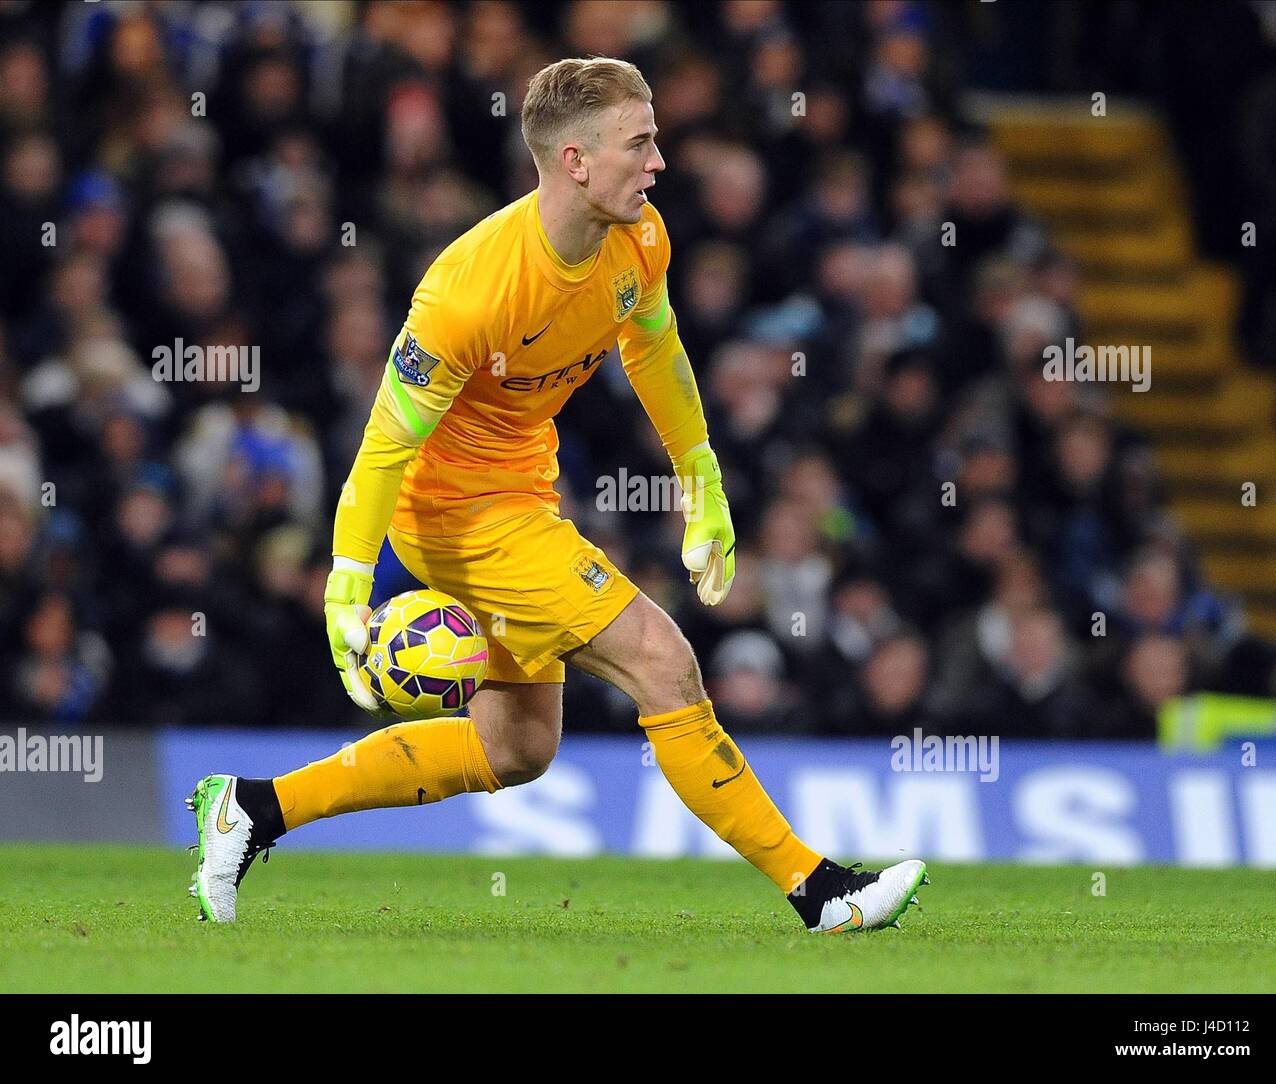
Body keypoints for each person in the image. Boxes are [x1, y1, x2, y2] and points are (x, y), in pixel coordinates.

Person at [185, 57, 927, 934]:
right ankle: (820, 891)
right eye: (640, 142)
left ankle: (252, 810)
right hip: (458, 519)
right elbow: (384, 446)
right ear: (574, 160)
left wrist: (705, 481)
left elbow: (654, 348)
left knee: (518, 749)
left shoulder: (639, 238)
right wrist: (347, 581)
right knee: (662, 659)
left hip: (523, 497)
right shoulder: (468, 292)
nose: (659, 161)